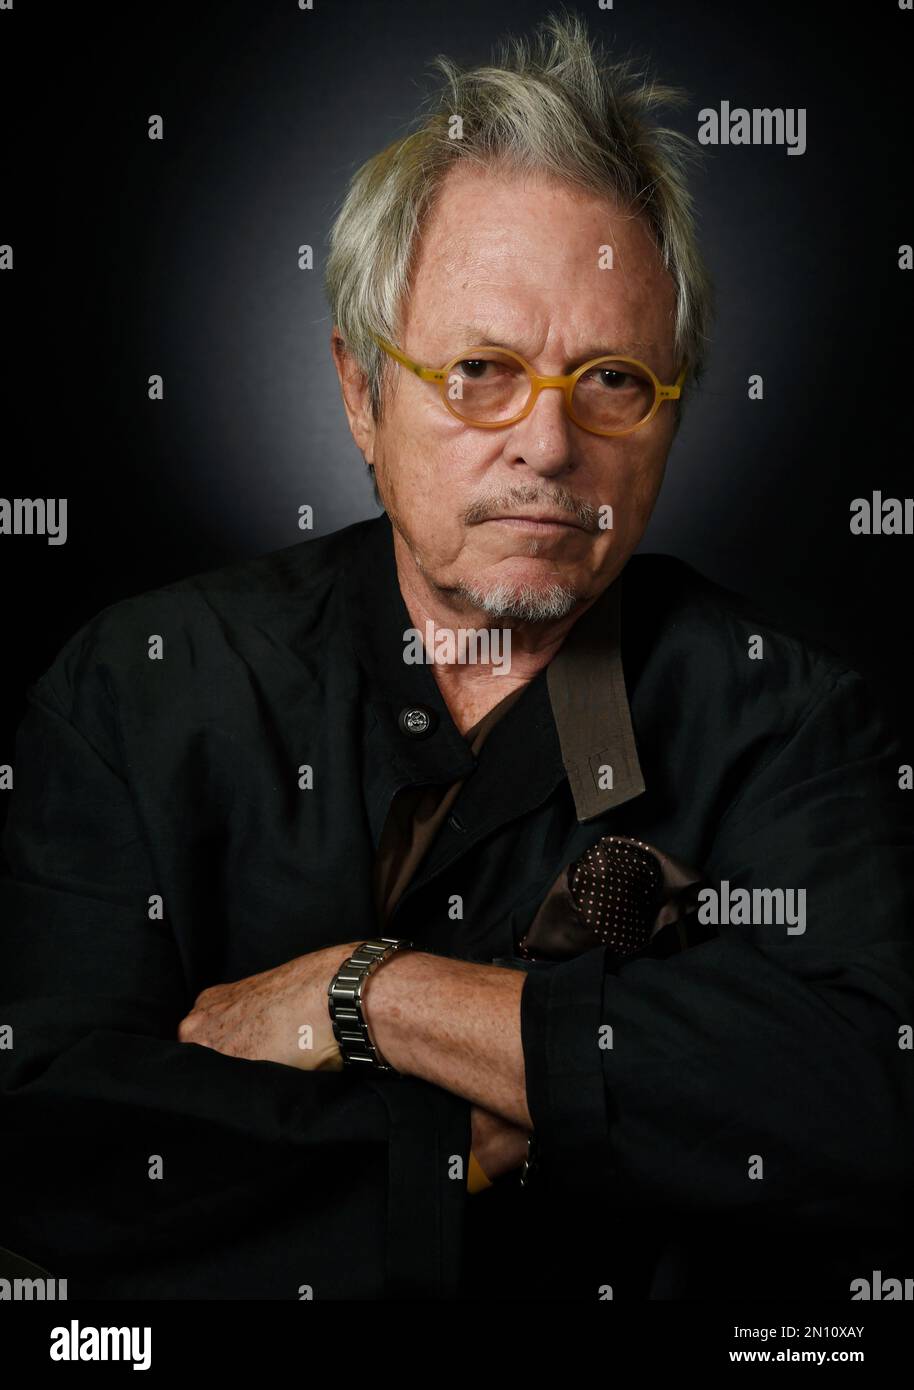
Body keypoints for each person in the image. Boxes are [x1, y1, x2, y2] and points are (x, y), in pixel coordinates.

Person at [1, 13, 912, 1301]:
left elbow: (866, 1105)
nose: (548, 444)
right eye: (481, 370)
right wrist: (471, 1146)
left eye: (612, 380)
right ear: (361, 394)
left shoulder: (786, 716)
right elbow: (51, 1138)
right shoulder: (139, 685)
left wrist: (372, 994)